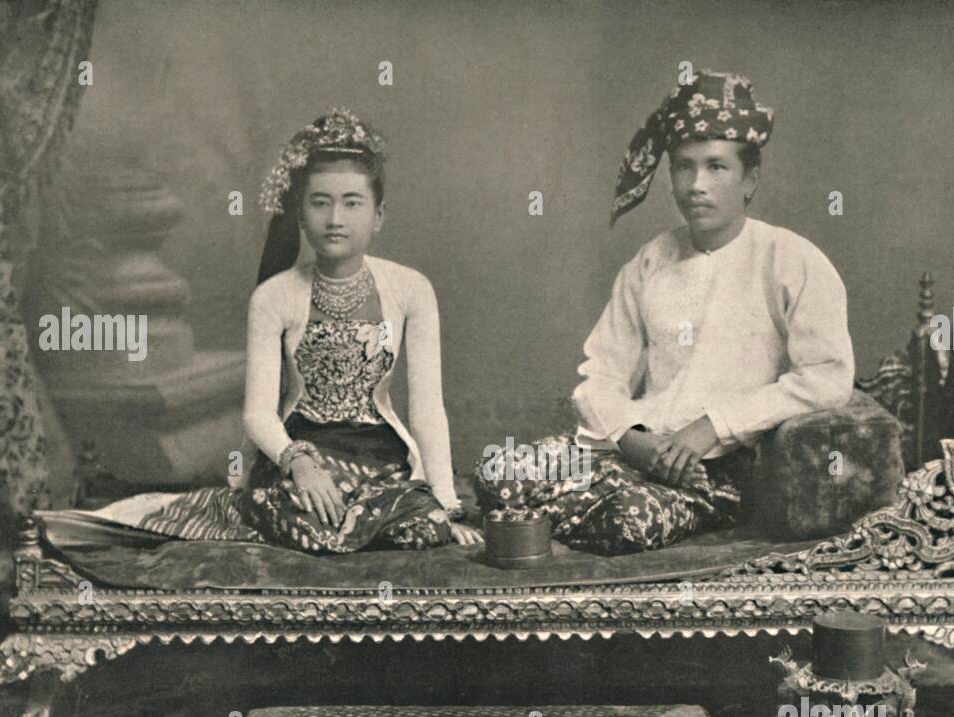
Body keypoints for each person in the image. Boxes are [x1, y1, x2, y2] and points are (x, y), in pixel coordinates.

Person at [474, 69, 855, 555]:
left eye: (716, 167)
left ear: (750, 179)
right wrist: (631, 438)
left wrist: (711, 426)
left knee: (629, 521)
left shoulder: (791, 259)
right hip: (633, 453)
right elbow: (602, 373)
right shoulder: (652, 260)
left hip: (715, 474)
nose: (697, 185)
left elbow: (827, 377)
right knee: (497, 473)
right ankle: (575, 504)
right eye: (683, 167)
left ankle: (560, 515)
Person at [234, 109, 482, 553]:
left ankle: (371, 519)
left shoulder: (410, 289)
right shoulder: (273, 297)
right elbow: (257, 414)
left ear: (379, 215)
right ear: (300, 212)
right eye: (320, 201)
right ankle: (343, 522)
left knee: (424, 528)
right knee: (311, 520)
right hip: (303, 457)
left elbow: (427, 408)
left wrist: (445, 502)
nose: (335, 218)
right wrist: (298, 462)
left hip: (381, 461)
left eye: (352, 202)